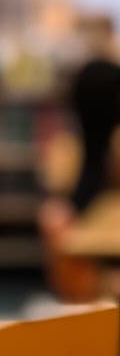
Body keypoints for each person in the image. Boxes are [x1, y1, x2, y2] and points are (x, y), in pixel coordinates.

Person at [70, 15, 120, 212]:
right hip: (101, 138)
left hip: (92, 139)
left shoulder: (88, 72)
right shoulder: (107, 72)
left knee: (92, 165)